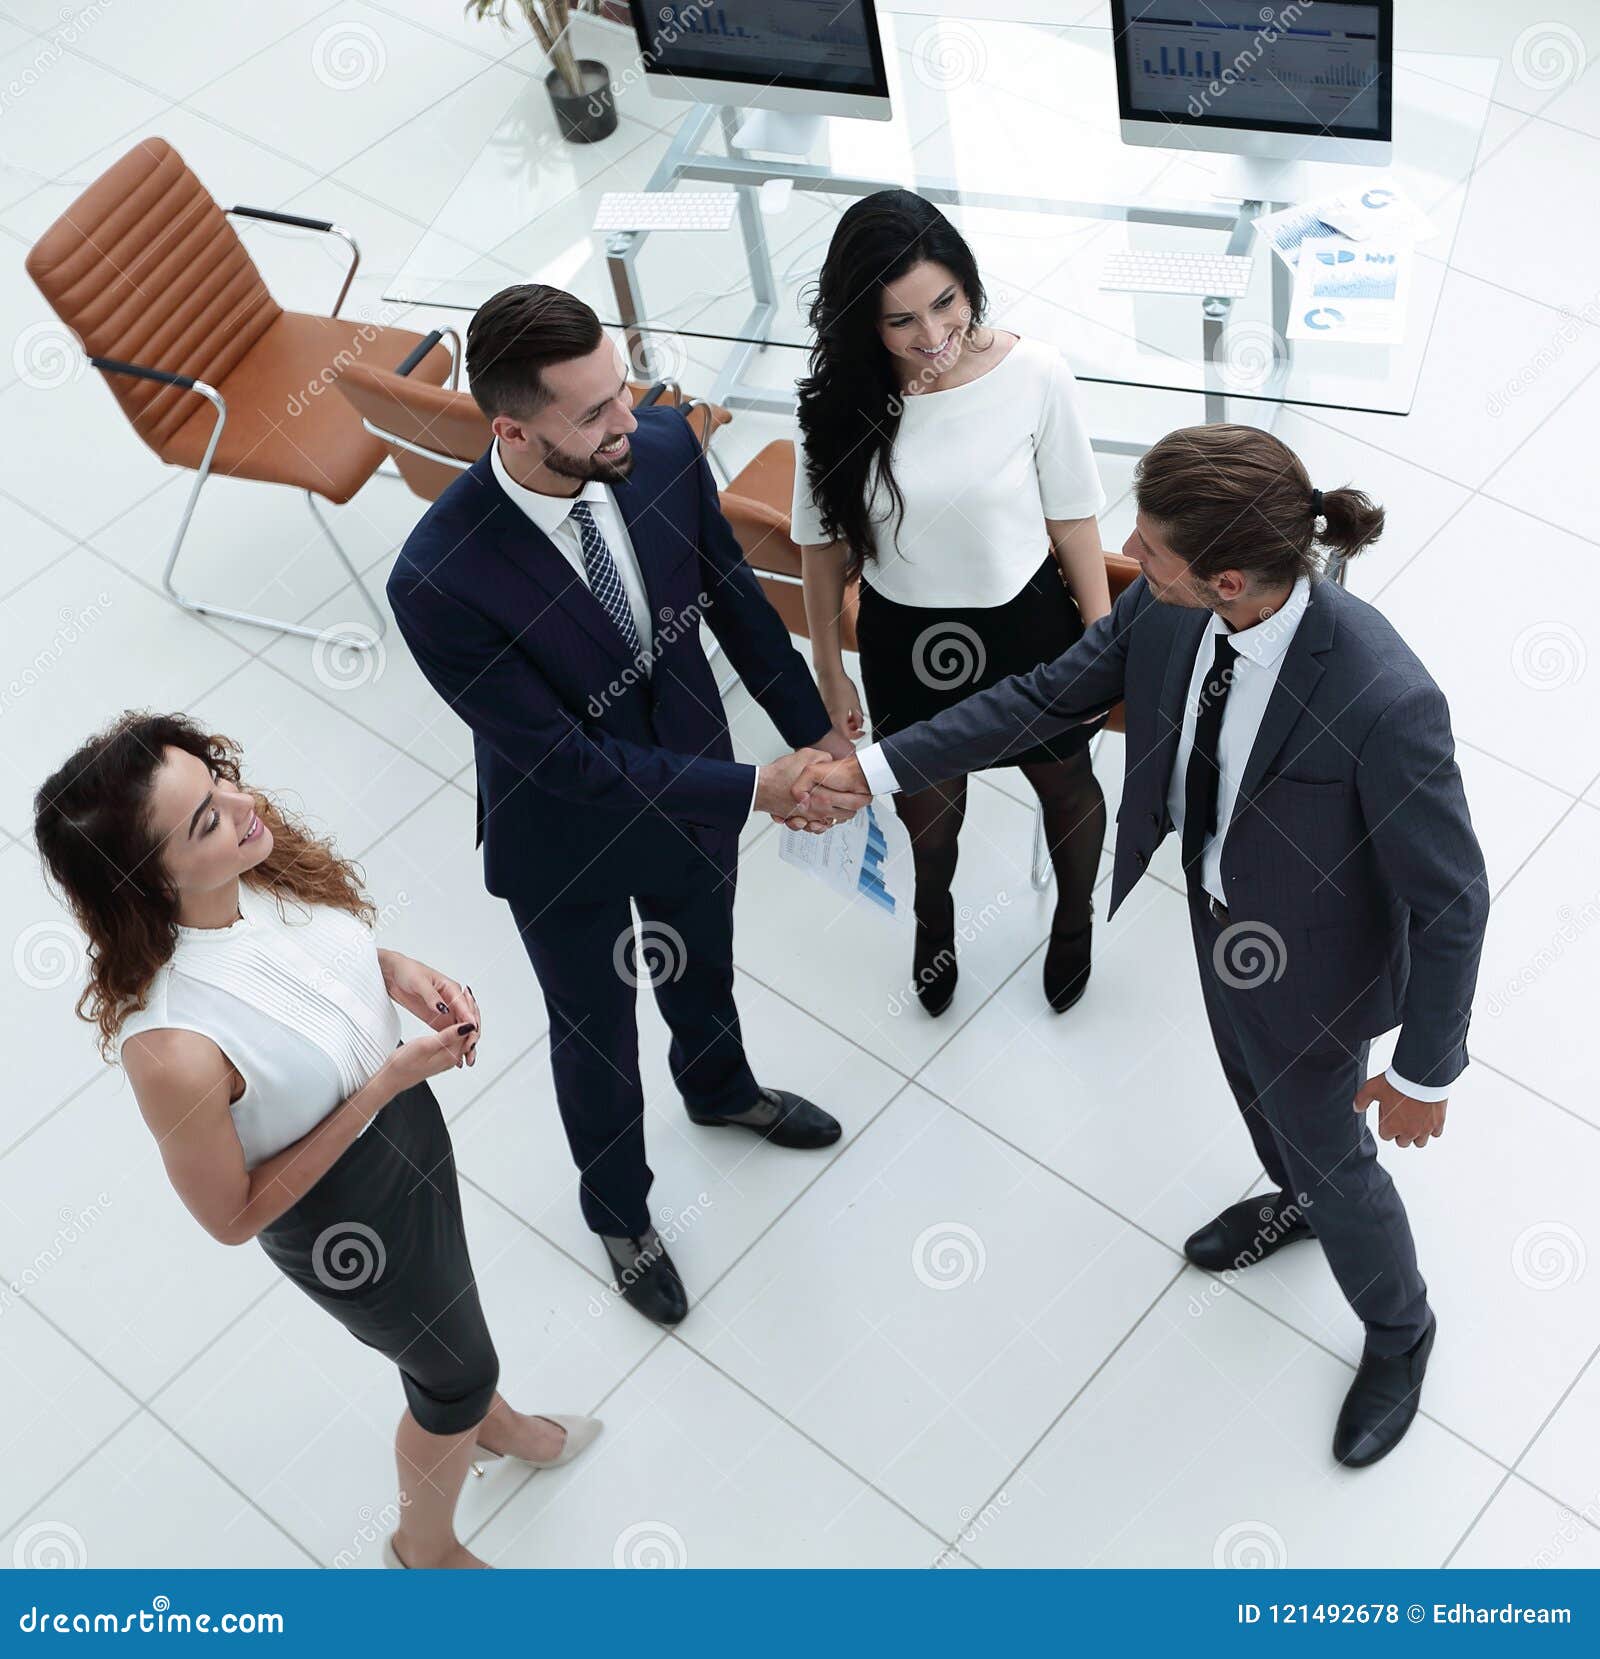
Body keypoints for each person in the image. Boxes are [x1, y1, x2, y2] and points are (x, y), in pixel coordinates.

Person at [796, 425, 1489, 1467]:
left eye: (1151, 546)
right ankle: (1291, 1198)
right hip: (1222, 927)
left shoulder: (1383, 697)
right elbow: (1041, 697)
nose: (1127, 550)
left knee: (1334, 1153)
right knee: (1258, 1102)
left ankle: (1399, 1329)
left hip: (1320, 974)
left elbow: (1453, 901)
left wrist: (1427, 1071)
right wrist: (882, 767)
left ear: (1225, 577)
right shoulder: (1165, 612)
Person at [387, 284, 866, 1330]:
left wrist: (813, 732)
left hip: (692, 785)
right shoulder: (436, 578)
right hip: (566, 839)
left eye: (624, 390)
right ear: (511, 429)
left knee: (702, 965)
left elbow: (734, 599)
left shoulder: (660, 449)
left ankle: (719, 1088)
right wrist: (756, 790)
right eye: (594, 411)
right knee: (594, 1032)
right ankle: (619, 1211)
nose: (629, 419)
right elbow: (564, 760)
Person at [33, 713, 601, 1570]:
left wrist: (399, 971)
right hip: (347, 1220)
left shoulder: (260, 870)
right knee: (450, 1370)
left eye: (219, 779)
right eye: (208, 818)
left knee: (451, 1335)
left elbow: (316, 964)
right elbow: (231, 1218)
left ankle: (492, 1421)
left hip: (410, 1137)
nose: (244, 801)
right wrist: (383, 1082)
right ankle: (426, 1549)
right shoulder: (175, 1047)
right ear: (146, 880)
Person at [792, 189, 1111, 1017]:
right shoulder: (838, 409)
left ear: (970, 283)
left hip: (1031, 625)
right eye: (902, 321)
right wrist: (830, 666)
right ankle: (934, 920)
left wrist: (1107, 638)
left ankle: (1072, 922)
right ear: (863, 321)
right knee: (929, 823)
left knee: (1067, 791)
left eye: (947, 304)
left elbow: (1074, 516)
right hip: (907, 638)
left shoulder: (1037, 374)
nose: (932, 336)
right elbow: (822, 547)